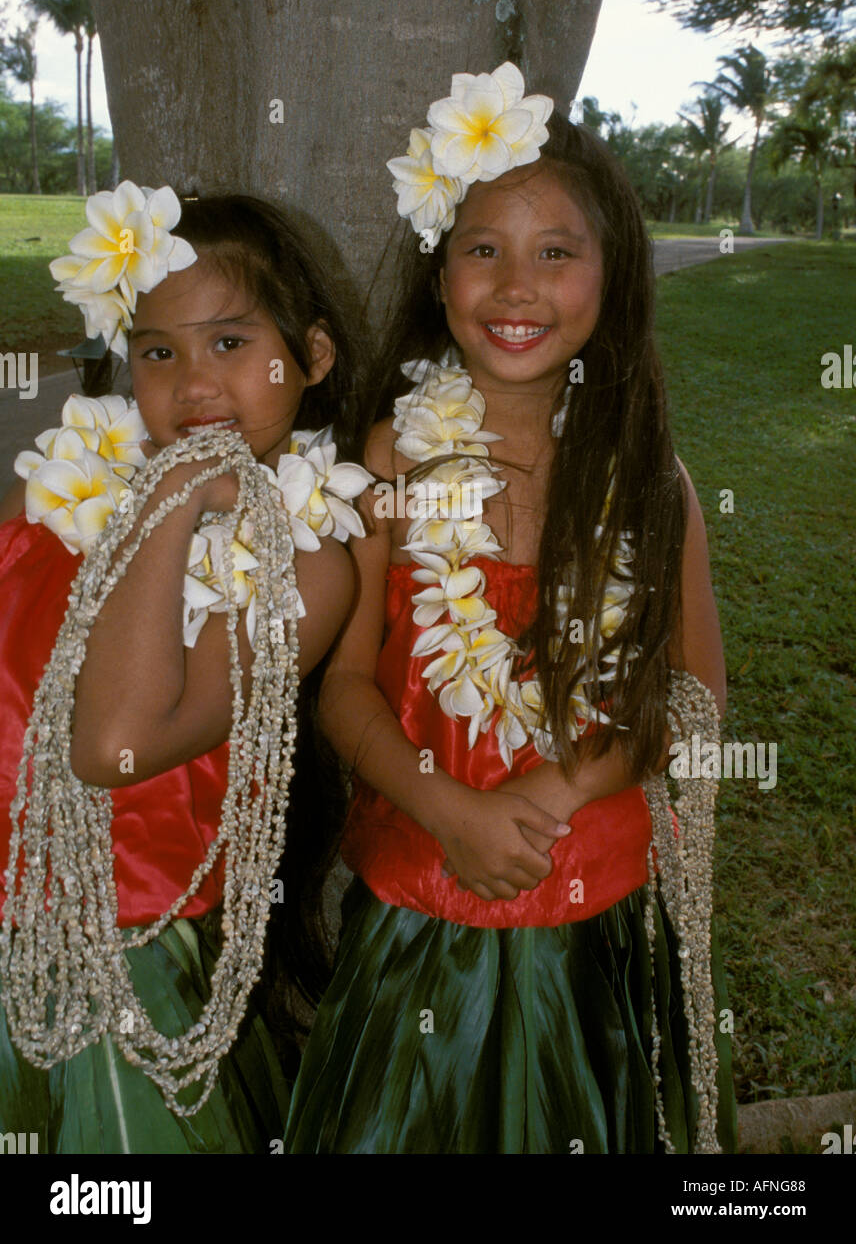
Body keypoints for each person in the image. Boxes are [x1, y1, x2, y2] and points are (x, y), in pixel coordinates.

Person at [283, 63, 738, 1154]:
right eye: (483, 249)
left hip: (598, 923)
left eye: (556, 252)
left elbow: (693, 694)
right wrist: (449, 809)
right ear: (441, 276)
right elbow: (343, 685)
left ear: (611, 276)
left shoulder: (648, 479)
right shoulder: (388, 461)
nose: (516, 285)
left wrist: (550, 787)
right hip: (420, 921)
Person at [0, 186, 371, 1153]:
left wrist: (169, 502)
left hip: (125, 966)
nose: (194, 385)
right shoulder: (71, 494)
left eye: (231, 343)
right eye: (160, 352)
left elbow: (114, 747)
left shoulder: (308, 560)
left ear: (312, 358)